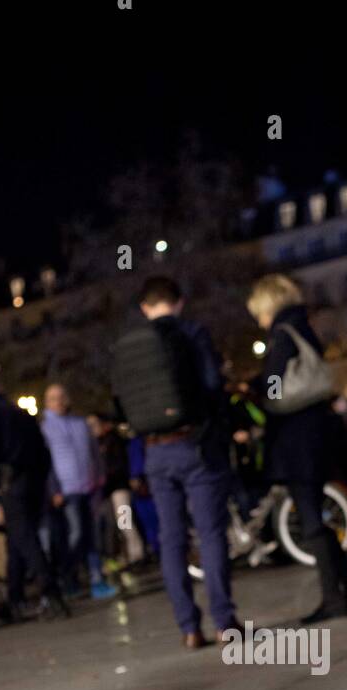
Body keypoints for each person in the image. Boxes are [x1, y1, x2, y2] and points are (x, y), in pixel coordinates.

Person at [248, 274, 347, 623]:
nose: (258, 319)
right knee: (316, 518)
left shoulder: (282, 334)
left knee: (311, 521)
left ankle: (334, 599)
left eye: (258, 311)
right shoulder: (302, 325)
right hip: (316, 433)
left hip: (296, 439)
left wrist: (257, 388)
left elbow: (273, 385)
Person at [134, 275, 238, 648]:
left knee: (172, 538)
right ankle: (224, 621)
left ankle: (188, 627)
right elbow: (212, 384)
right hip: (195, 444)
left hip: (155, 450)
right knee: (210, 533)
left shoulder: (134, 345)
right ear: (178, 302)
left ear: (145, 308)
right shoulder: (192, 332)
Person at [0, 365, 68, 622]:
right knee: (17, 542)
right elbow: (43, 452)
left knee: (26, 541)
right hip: (32, 483)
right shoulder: (20, 413)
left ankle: (52, 593)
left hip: (13, 486)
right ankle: (15, 598)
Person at [41, 385, 117, 600]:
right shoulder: (46, 429)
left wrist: (100, 478)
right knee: (74, 535)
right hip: (66, 491)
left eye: (61, 396)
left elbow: (94, 452)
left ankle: (96, 579)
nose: (59, 401)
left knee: (93, 535)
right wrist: (53, 489)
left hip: (89, 487)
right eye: (53, 398)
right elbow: (45, 463)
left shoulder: (80, 423)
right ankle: (68, 576)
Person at [87, 414, 147, 570]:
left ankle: (137, 553)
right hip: (107, 491)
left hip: (118, 487)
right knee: (115, 525)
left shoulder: (113, 441)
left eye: (94, 424)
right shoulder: (95, 445)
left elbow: (119, 464)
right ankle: (127, 555)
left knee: (125, 521)